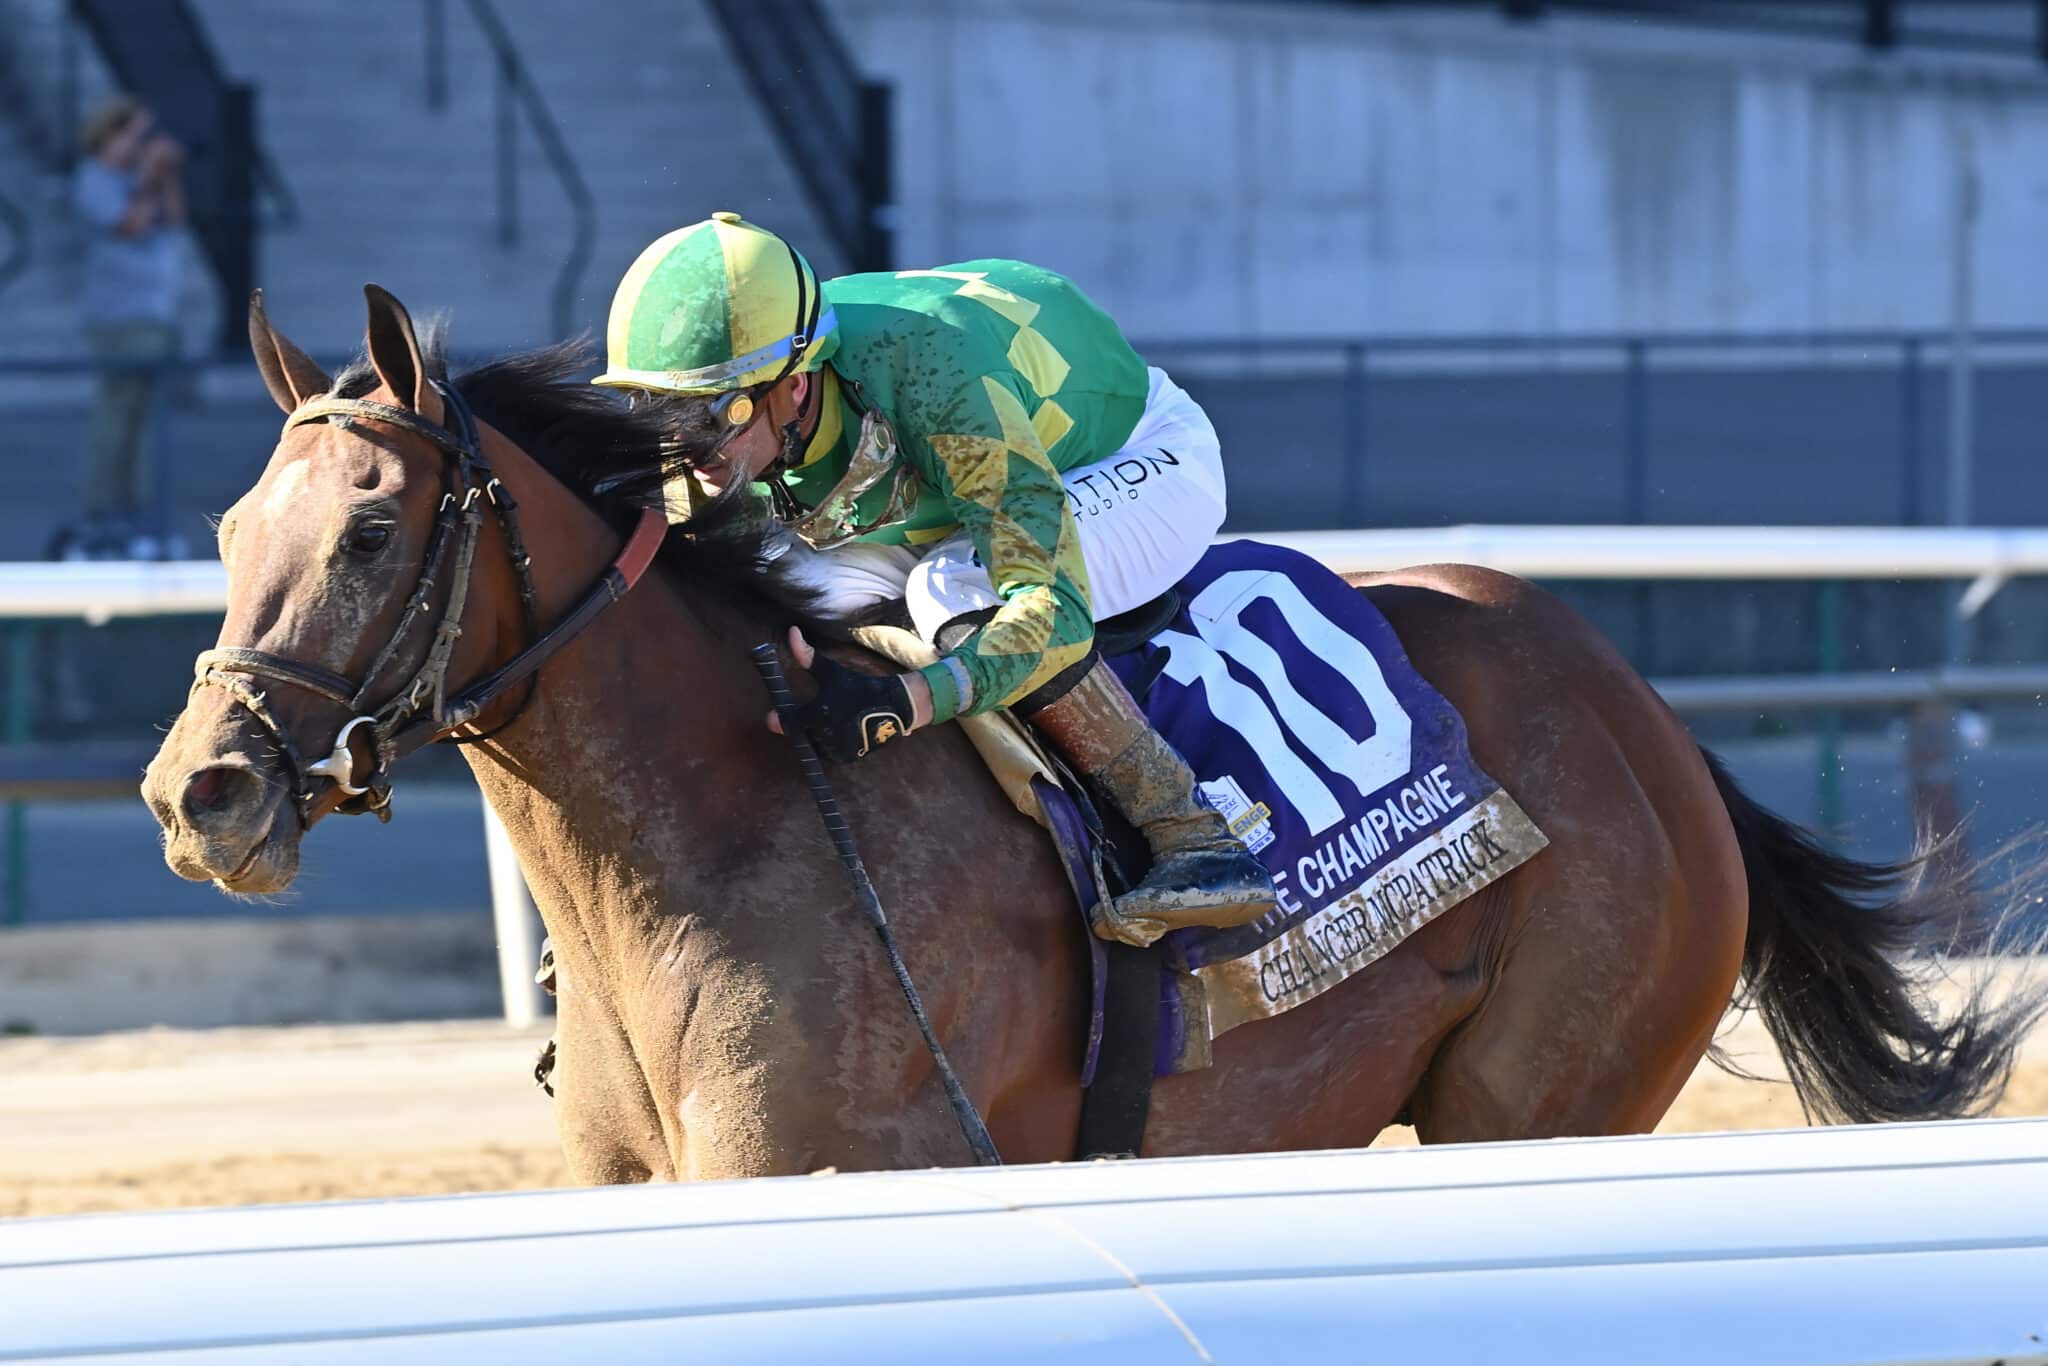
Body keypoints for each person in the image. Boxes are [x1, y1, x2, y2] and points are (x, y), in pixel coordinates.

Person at [593, 213, 1277, 946]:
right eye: (662, 415)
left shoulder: (931, 367)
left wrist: (906, 702)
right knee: (773, 595)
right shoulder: (719, 429)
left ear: (793, 387)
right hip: (942, 486)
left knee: (953, 590)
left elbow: (1050, 607)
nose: (687, 451)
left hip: (1131, 455)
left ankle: (1194, 836)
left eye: (713, 417)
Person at [69, 94, 187, 559]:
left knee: (147, 418)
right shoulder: (94, 180)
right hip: (120, 317)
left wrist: (168, 174)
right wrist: (149, 175)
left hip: (155, 313)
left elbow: (176, 219)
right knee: (119, 415)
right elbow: (132, 224)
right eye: (137, 136)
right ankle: (106, 512)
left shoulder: (143, 178)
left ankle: (142, 512)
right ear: (111, 135)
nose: (144, 146)